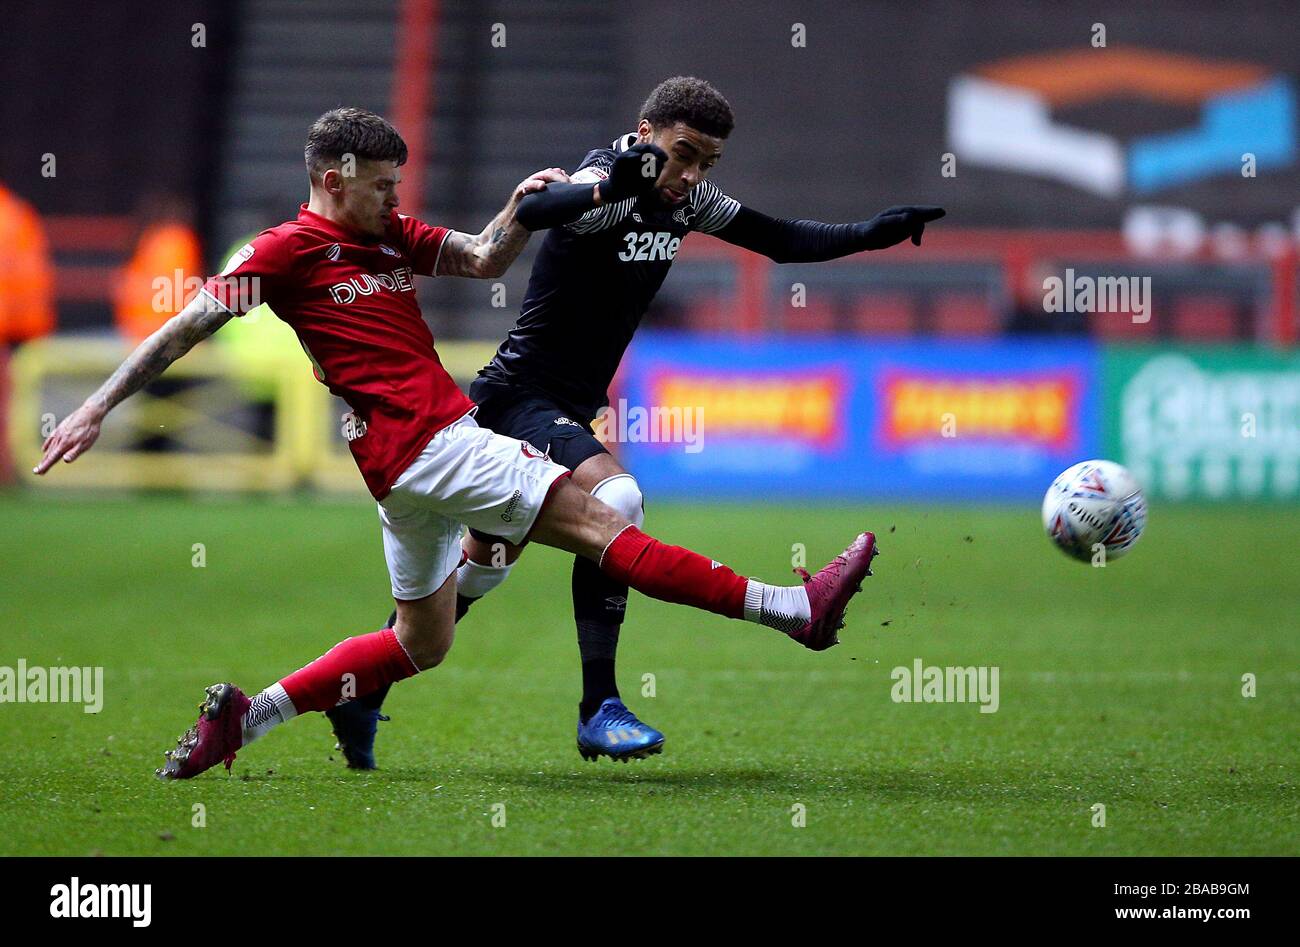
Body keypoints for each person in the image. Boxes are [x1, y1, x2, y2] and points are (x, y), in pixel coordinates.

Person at [34, 106, 878, 780]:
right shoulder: (283, 252)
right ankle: (791, 610)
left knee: (420, 643)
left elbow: (481, 259)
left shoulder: (388, 236)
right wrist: (96, 407)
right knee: (605, 521)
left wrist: (518, 206)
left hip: (403, 470)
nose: (397, 199)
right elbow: (183, 328)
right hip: (434, 444)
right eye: (383, 185)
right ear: (333, 181)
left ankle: (244, 720)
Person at [336, 76, 940, 766]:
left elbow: (779, 239)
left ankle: (359, 692)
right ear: (645, 131)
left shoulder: (686, 200)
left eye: (707, 163)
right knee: (617, 497)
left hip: (559, 406)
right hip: (517, 398)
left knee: (484, 567)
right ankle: (601, 707)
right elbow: (543, 209)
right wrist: (608, 185)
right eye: (682, 154)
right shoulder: (608, 182)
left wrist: (873, 233)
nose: (691, 176)